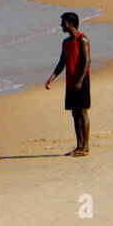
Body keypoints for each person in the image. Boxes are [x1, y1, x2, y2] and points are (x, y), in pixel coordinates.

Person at [44, 12, 91, 156]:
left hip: (81, 82)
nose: (61, 25)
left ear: (70, 24)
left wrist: (80, 80)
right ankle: (79, 146)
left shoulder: (82, 39)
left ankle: (85, 147)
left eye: (63, 23)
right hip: (70, 82)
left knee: (82, 112)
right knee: (74, 113)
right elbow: (62, 62)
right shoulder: (66, 42)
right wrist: (51, 78)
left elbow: (87, 61)